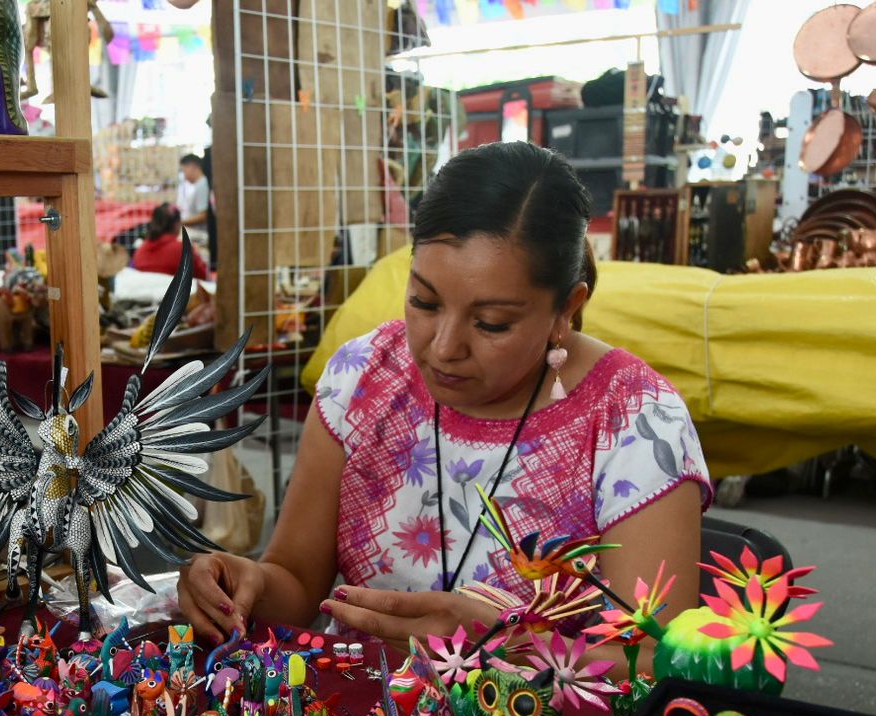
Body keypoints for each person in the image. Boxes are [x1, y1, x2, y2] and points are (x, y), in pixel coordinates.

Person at [179, 141, 712, 670]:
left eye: (491, 323)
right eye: (424, 303)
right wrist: (241, 585)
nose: (443, 347)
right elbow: (295, 583)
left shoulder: (635, 421)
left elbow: (653, 662)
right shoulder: (364, 379)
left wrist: (503, 646)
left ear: (565, 310)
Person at [131, 204, 209, 278]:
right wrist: (197, 254)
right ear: (176, 224)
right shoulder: (182, 250)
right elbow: (203, 275)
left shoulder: (140, 250)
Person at [175, 153, 210, 248]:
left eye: (184, 170)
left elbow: (203, 216)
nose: (184, 175)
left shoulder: (202, 186)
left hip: (199, 233)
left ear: (192, 166)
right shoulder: (198, 185)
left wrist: (180, 222)